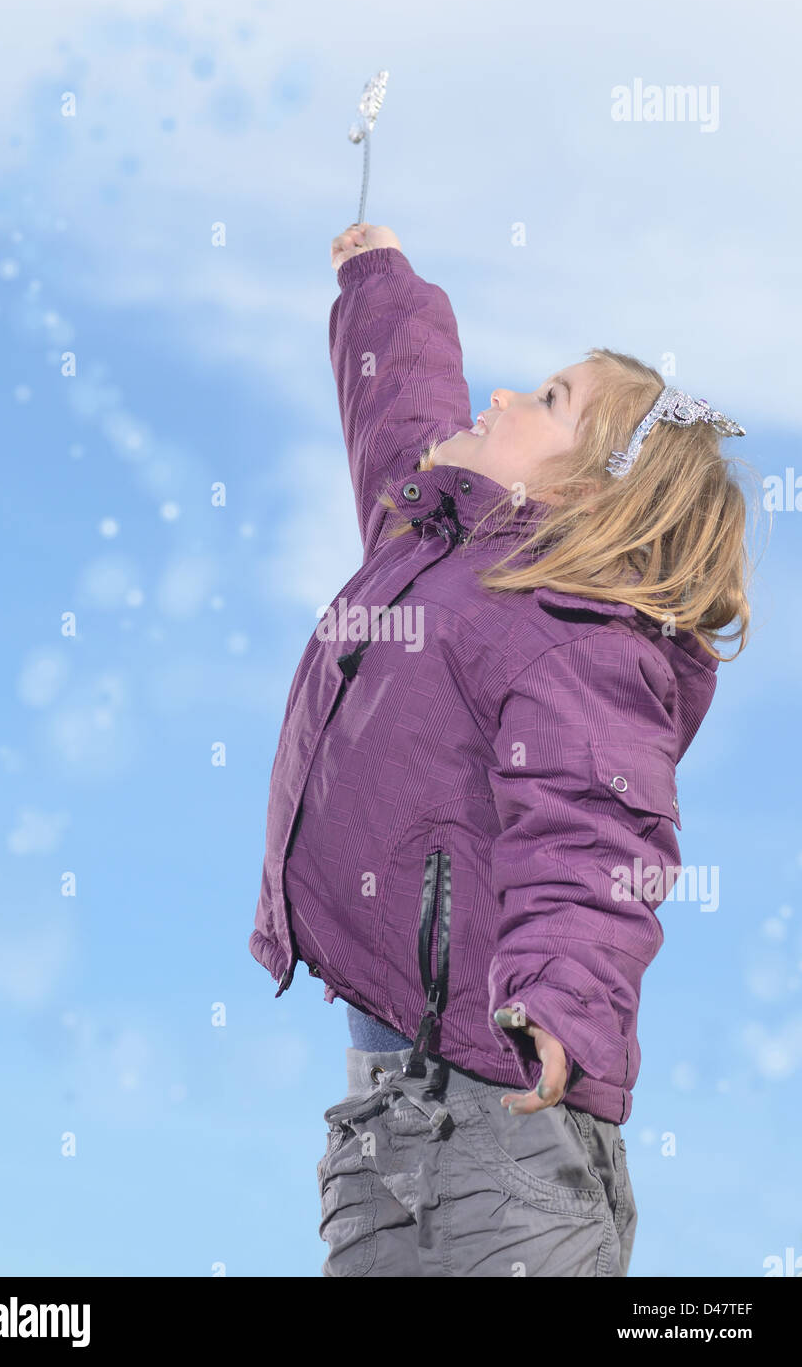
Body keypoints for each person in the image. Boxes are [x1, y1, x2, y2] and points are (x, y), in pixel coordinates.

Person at [249, 222, 751, 1276]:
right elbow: (405, 419)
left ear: (587, 496)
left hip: (500, 1125)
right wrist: (378, 282)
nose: (507, 398)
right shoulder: (429, 541)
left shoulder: (575, 632)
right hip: (388, 1114)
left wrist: (564, 994)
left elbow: (593, 829)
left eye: (550, 401)